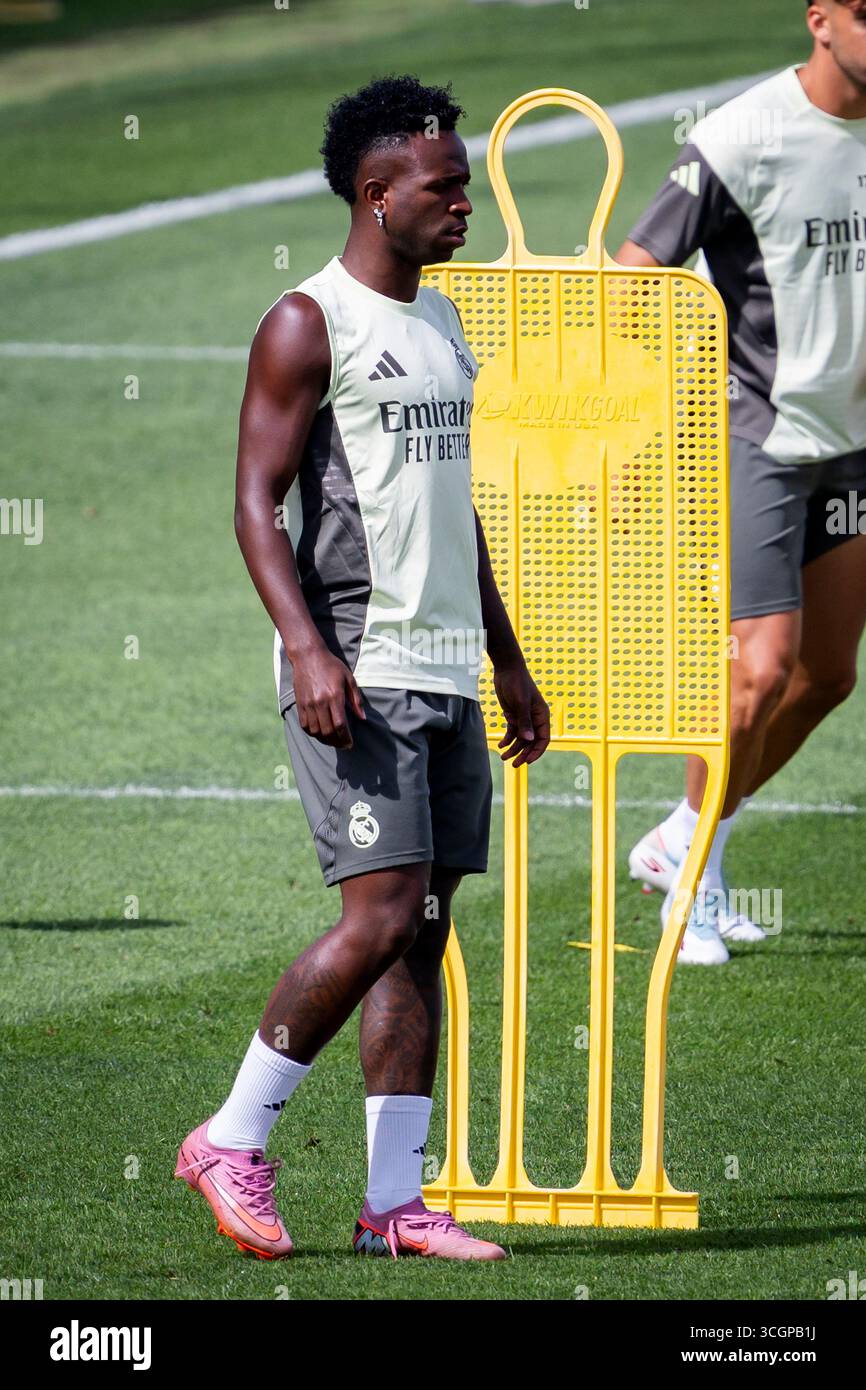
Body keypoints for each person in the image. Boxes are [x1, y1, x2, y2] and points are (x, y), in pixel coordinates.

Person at [175, 75, 550, 1260]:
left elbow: (455, 506)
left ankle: (394, 1203)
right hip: (358, 661)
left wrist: (507, 657)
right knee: (378, 910)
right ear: (375, 193)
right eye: (445, 190)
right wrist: (304, 644)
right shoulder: (307, 321)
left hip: (442, 667)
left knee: (418, 929)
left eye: (466, 187)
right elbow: (252, 502)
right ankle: (231, 1136)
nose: (465, 207)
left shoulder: (439, 319)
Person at [617, 0, 866, 964]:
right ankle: (691, 889)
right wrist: (652, 435)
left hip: (850, 443)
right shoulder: (740, 138)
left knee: (825, 678)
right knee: (757, 671)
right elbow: (635, 273)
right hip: (755, 437)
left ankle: (685, 841)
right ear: (820, 19)